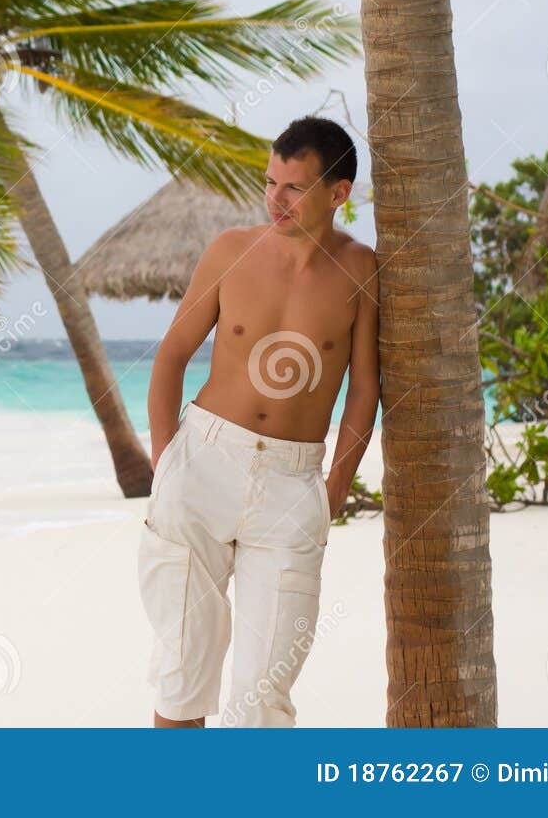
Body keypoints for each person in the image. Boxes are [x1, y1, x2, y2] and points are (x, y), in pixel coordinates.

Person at [137, 115, 380, 727]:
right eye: (269, 181)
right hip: (201, 464)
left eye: (294, 187)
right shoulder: (229, 250)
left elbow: (364, 390)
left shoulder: (361, 271)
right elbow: (171, 354)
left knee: (262, 697)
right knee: (182, 675)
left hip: (293, 485)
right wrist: (168, 463)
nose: (275, 198)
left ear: (338, 192)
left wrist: (332, 492)